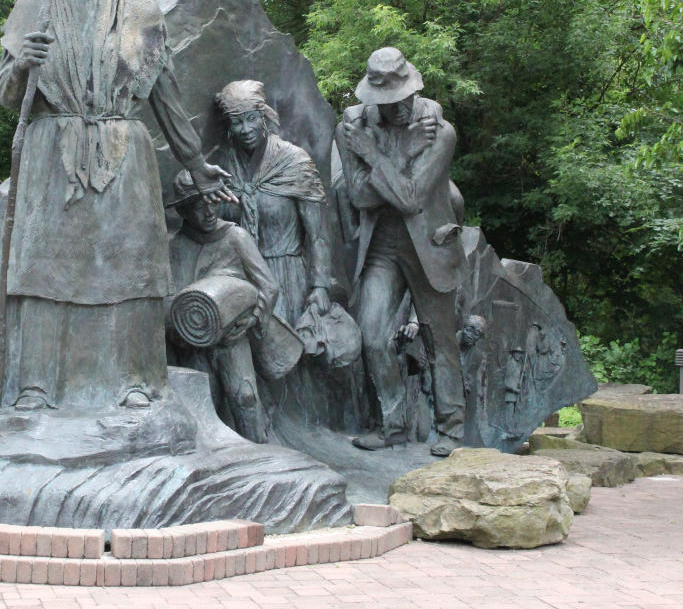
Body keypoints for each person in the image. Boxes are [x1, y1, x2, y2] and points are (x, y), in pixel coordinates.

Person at [0, 0, 233, 412]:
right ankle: (36, 383)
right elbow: (7, 97)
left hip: (123, 152)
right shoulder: (33, 3)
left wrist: (195, 163)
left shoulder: (139, 9)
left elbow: (165, 95)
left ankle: (134, 379)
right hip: (51, 152)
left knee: (129, 268)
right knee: (43, 268)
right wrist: (20, 66)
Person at [336, 47, 466, 455]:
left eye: (403, 98)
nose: (398, 108)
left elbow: (410, 199)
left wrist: (375, 155)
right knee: (372, 335)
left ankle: (452, 429)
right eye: (387, 102)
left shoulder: (438, 131)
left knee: (440, 339)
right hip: (382, 244)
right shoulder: (352, 127)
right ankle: (391, 424)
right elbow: (359, 197)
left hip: (430, 242)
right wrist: (401, 153)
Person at [167, 170, 279, 442]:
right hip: (192, 343)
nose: (209, 212)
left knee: (245, 397)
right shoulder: (175, 245)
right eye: (199, 206)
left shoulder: (236, 237)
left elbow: (269, 286)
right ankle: (212, 458)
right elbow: (168, 299)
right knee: (203, 402)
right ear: (183, 211)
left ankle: (259, 450)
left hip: (232, 338)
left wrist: (253, 318)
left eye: (213, 202)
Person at [214, 80, 333, 325]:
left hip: (287, 276)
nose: (246, 129)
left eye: (251, 119)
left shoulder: (293, 161)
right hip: (237, 279)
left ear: (264, 117)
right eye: (237, 122)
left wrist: (320, 286)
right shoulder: (222, 168)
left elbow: (318, 234)